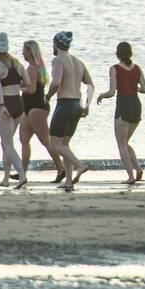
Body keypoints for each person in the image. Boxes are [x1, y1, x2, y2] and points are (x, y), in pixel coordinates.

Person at [47, 31, 94, 191]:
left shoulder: (58, 60)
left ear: (56, 45)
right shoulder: (78, 62)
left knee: (55, 144)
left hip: (65, 104)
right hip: (77, 105)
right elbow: (90, 84)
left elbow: (56, 83)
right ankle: (68, 181)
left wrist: (47, 97)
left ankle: (79, 165)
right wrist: (87, 105)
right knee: (64, 145)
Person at [96, 41, 145, 184]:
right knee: (125, 142)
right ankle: (138, 168)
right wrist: (134, 88)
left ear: (118, 54)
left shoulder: (114, 69)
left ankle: (130, 176)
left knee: (121, 144)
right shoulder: (137, 68)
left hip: (123, 105)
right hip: (136, 105)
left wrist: (101, 95)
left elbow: (112, 92)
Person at [0, 32, 29, 188]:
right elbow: (28, 82)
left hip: (5, 104)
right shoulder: (17, 64)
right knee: (6, 142)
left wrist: (3, 105)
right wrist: (17, 86)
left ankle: (22, 175)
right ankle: (5, 178)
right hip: (18, 102)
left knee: (7, 143)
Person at [19, 40, 63, 183]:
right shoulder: (39, 67)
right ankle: (22, 173)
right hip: (30, 108)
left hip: (36, 107)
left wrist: (18, 88)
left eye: (24, 50)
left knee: (46, 141)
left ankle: (61, 169)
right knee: (24, 140)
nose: (22, 52)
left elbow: (31, 89)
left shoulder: (32, 68)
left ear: (30, 52)